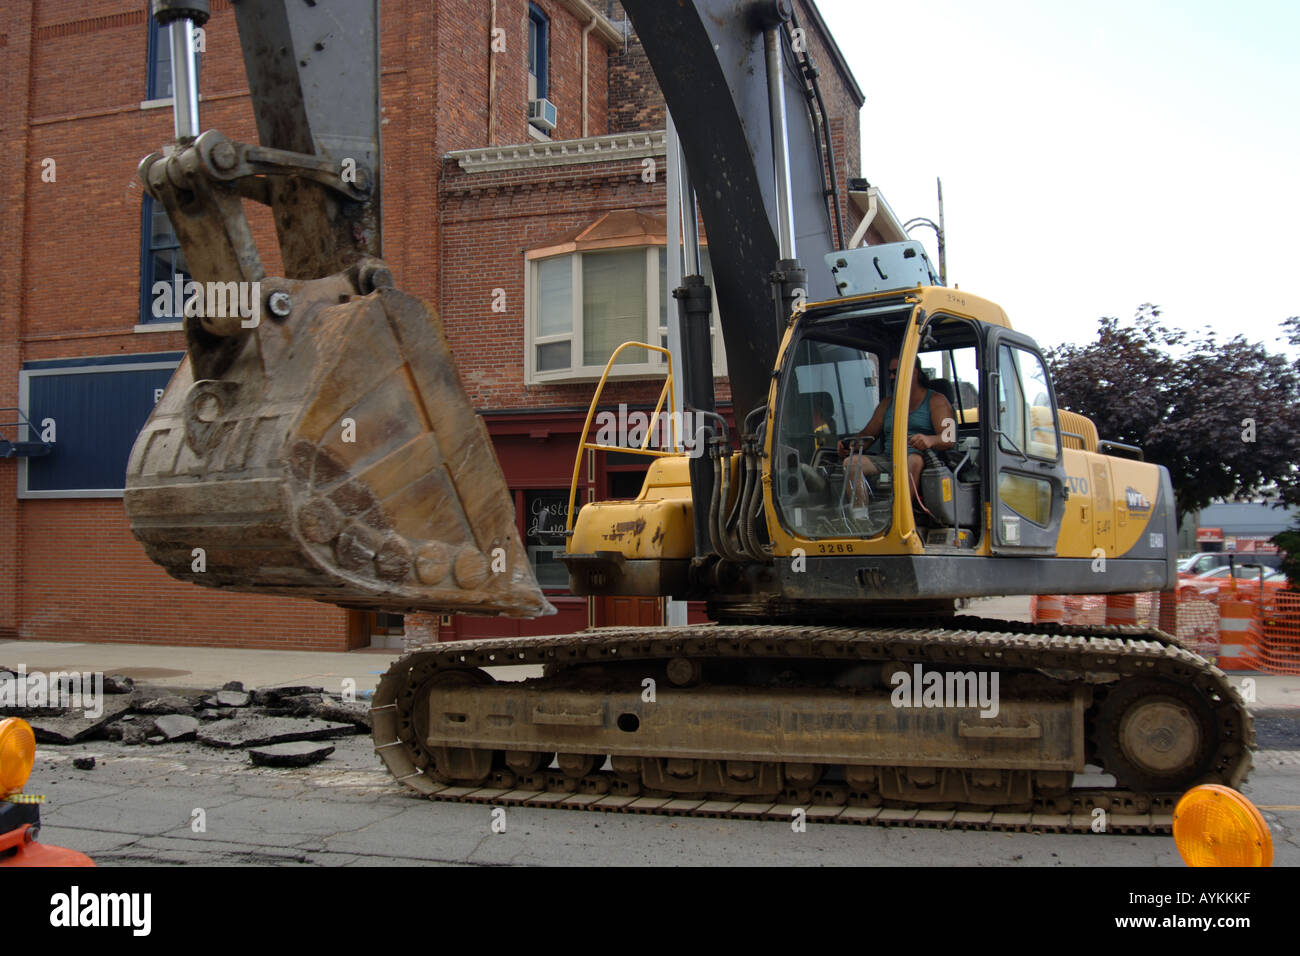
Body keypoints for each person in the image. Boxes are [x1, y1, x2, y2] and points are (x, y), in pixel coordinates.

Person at [837, 356, 956, 508]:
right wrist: (848, 446)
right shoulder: (887, 404)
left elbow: (949, 438)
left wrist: (930, 440)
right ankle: (860, 517)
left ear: (913, 372)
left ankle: (900, 512)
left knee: (913, 460)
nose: (891, 377)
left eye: (895, 372)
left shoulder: (937, 400)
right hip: (889, 459)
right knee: (851, 463)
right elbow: (867, 436)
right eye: (890, 373)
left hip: (922, 460)